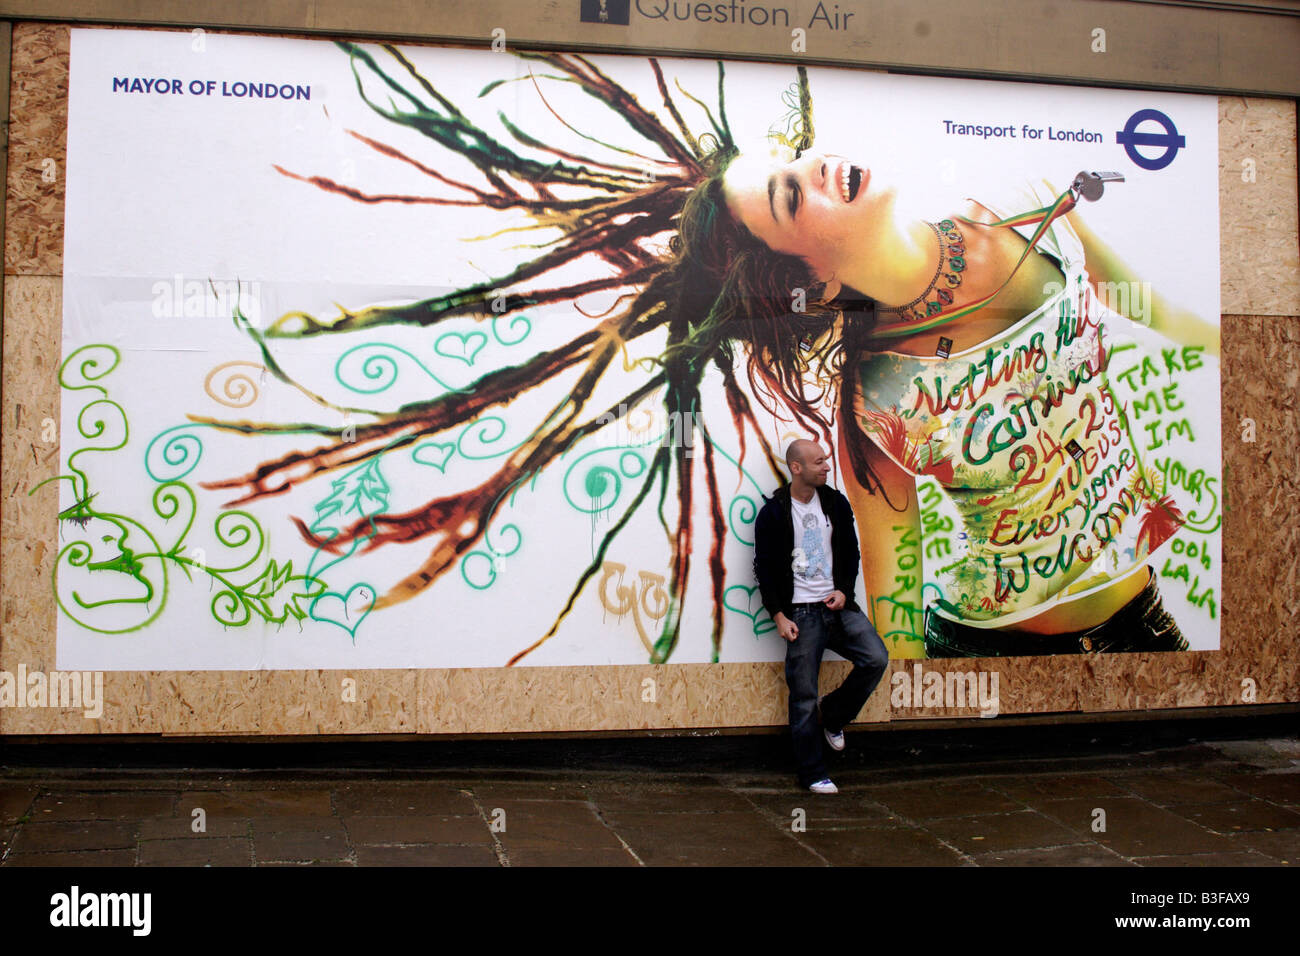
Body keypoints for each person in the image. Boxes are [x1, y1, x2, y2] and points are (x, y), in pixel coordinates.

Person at [202, 51, 1212, 665]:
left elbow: (1168, 316)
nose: (811, 166)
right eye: (786, 196)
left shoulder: (1036, 207)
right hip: (997, 640)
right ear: (807, 281)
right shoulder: (874, 399)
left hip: (1146, 615)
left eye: (787, 160)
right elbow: (897, 594)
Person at [753, 439, 889, 793]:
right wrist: (779, 616)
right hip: (801, 613)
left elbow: (850, 552)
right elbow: (764, 569)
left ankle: (833, 717)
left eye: (826, 460)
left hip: (837, 605)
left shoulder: (834, 503)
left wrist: (845, 590)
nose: (826, 467)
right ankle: (813, 773)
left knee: (875, 658)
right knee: (802, 695)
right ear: (796, 468)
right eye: (818, 462)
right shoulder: (774, 513)